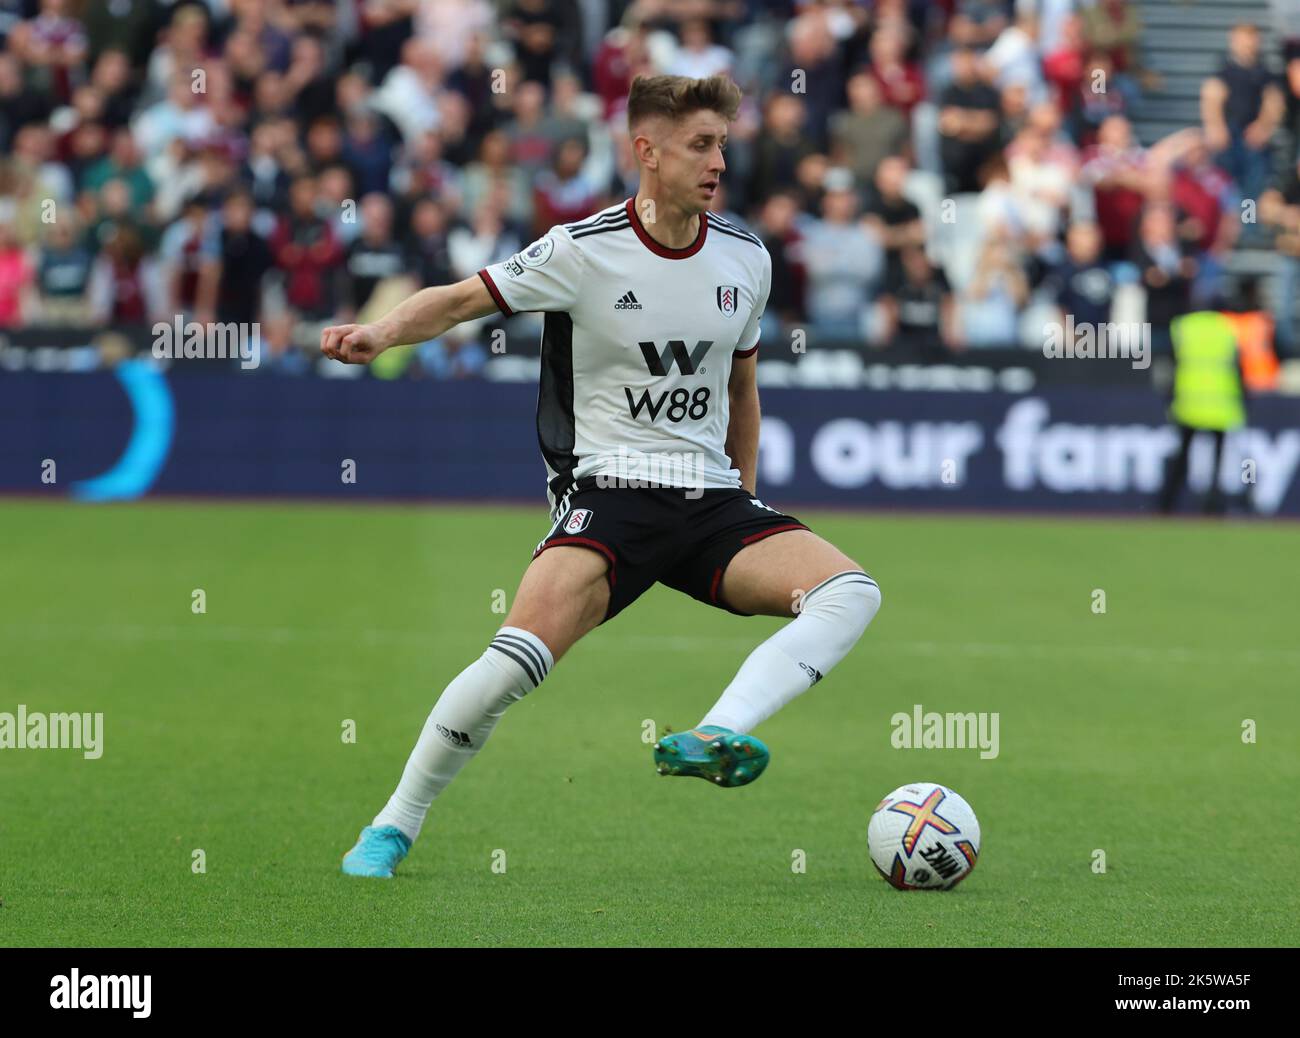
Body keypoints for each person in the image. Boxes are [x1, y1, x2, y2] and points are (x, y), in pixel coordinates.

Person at [321, 74, 882, 879]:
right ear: (646, 152)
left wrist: (747, 494)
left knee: (852, 591)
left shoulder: (746, 258)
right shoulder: (581, 250)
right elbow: (457, 300)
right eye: (700, 144)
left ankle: (719, 731)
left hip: (713, 499)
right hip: (610, 494)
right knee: (510, 666)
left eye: (722, 143)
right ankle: (393, 825)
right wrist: (380, 333)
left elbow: (741, 388)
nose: (719, 160)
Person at [1156, 305, 1247, 515]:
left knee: (1182, 456)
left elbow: (1169, 364)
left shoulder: (1183, 327)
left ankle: (1167, 504)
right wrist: (1243, 399)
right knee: (1218, 461)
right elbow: (1238, 367)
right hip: (1221, 405)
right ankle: (1213, 505)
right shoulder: (1227, 327)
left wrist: (1169, 398)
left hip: (1189, 404)